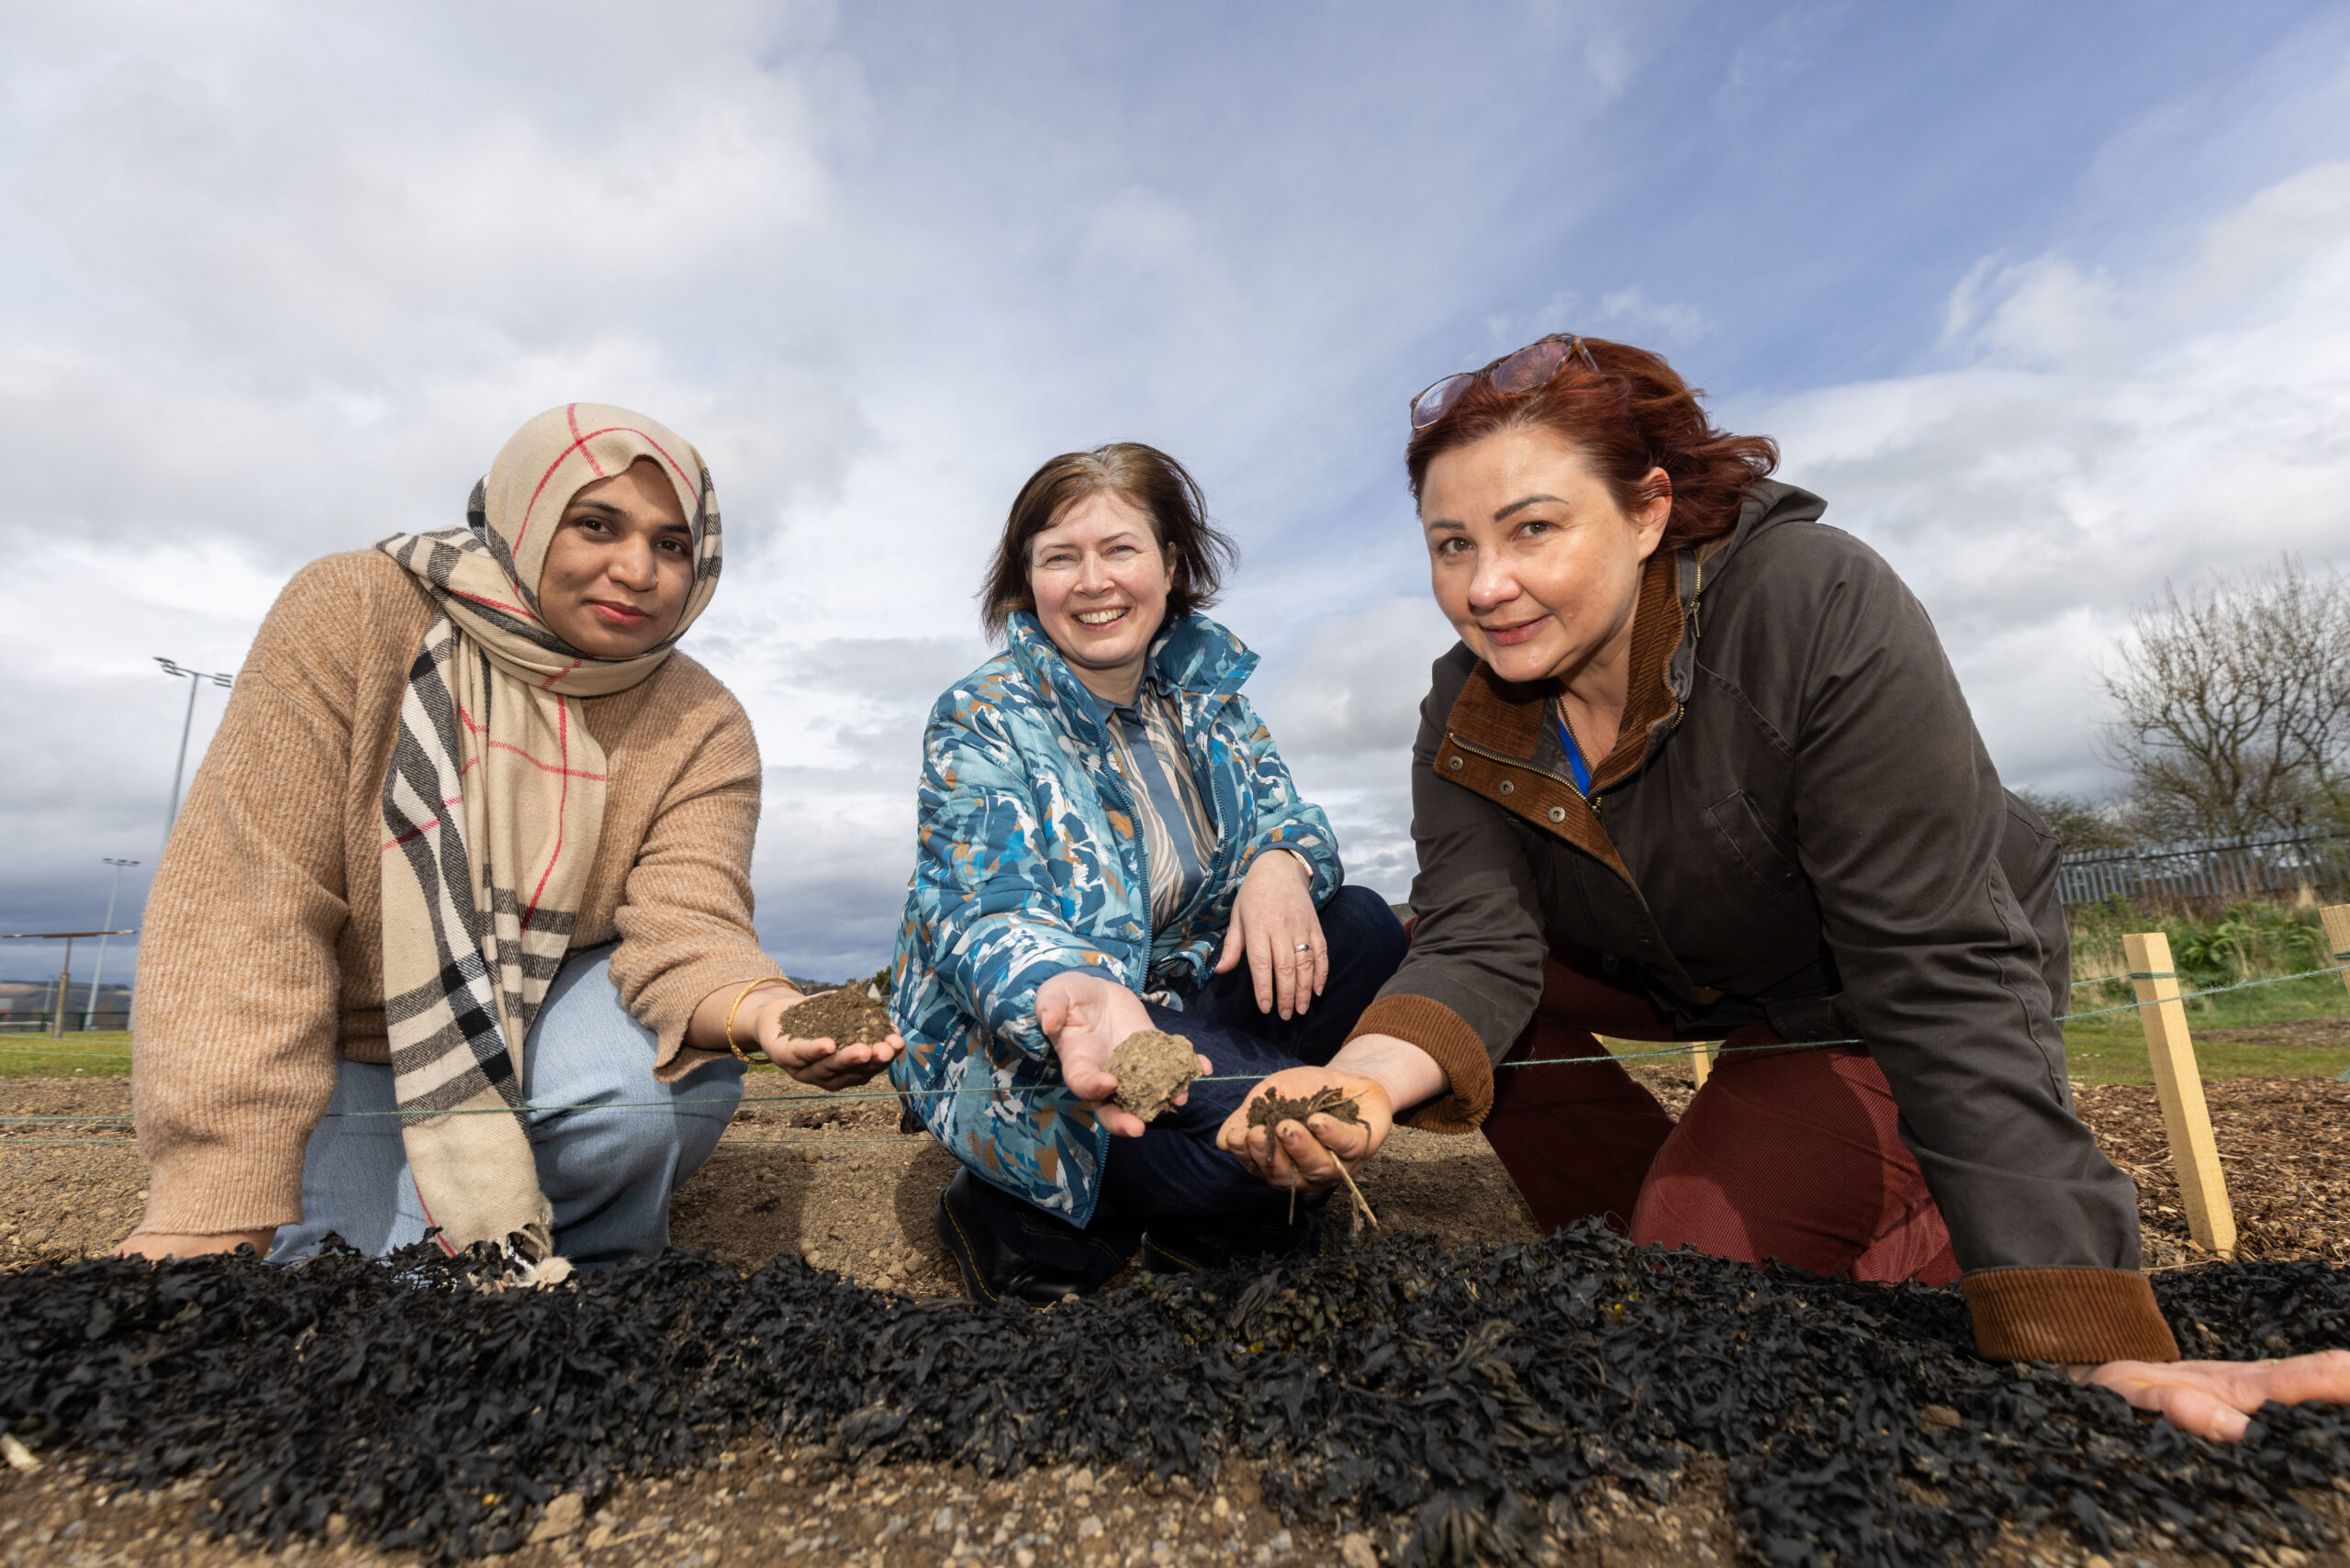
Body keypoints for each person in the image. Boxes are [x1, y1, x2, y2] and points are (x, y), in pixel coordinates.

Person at [1214, 335, 2350, 1440]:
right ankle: (1635, 1271)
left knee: (1709, 1252)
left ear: (1648, 509)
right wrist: (1355, 1085)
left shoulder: (1813, 603)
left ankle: (1869, 1247)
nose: (1486, 585)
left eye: (1533, 530)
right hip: (1683, 966)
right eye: (1450, 544)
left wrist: (2076, 1321)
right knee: (1653, 1266)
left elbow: (1934, 966)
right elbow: (1473, 942)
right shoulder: (1465, 709)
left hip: (1869, 987)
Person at [123, 403, 899, 1271]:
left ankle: (596, 1264)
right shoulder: (353, 612)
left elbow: (688, 928)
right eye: (596, 524)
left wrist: (773, 1014)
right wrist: (214, 1192)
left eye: (672, 544)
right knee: (332, 1263)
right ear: (523, 519)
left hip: (540, 1031)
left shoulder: (702, 721)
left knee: (639, 1099)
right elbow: (252, 904)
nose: (637, 569)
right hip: (341, 1043)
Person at [890, 442, 1406, 1305]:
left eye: (1120, 550)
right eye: (1061, 557)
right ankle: (1018, 1205)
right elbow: (982, 915)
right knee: (1258, 1149)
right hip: (1049, 1042)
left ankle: (1194, 1186)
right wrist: (1076, 993)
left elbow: (1291, 819)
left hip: (1169, 1002)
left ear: (1169, 563)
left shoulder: (1210, 700)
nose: (1094, 581)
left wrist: (1279, 865)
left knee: (1360, 928)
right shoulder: (980, 717)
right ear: (1027, 582)